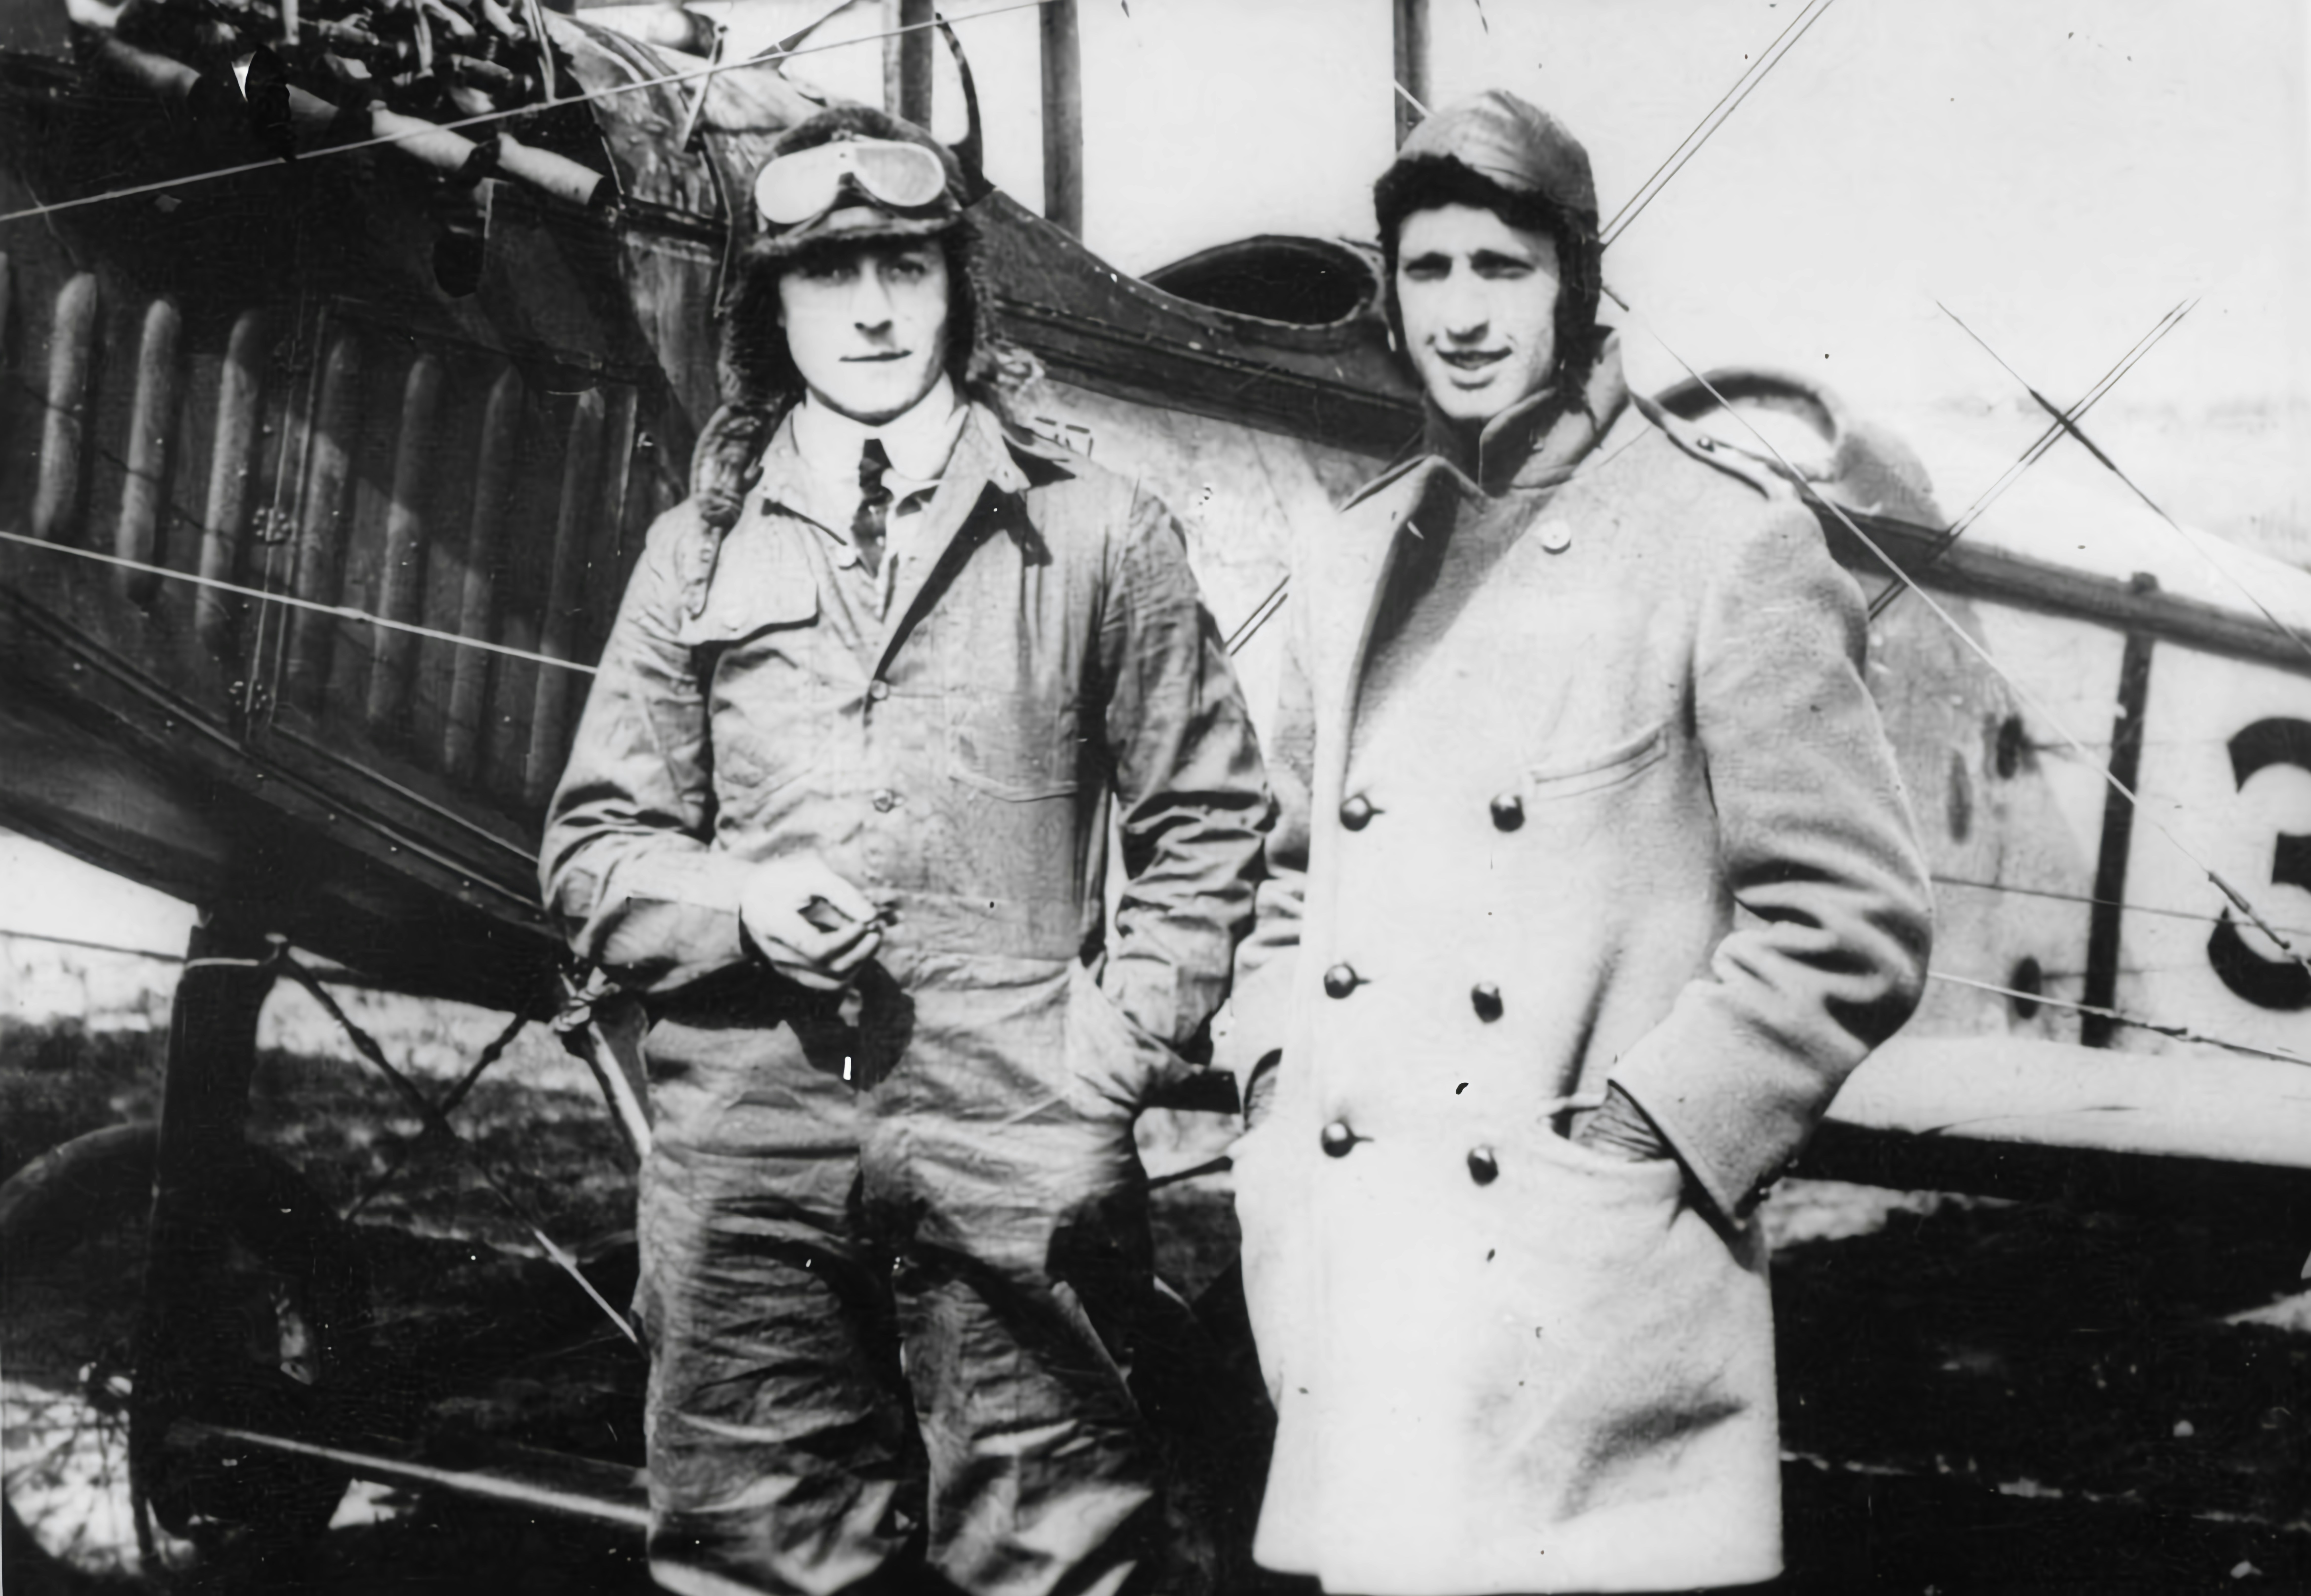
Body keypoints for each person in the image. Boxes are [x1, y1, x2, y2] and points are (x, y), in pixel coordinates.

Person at [541, 104, 1272, 1596]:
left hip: (1018, 1124)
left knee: (1055, 1552)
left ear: (958, 292)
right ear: (773, 307)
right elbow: (596, 849)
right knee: (755, 1553)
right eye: (829, 272)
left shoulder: (1097, 534)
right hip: (748, 1144)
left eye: (906, 267)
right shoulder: (699, 551)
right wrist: (742, 902)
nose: (871, 309)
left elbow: (1207, 820)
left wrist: (1113, 1055)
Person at [1223, 90, 1934, 1594]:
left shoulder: (1725, 539)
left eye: (1504, 267)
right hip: (1365, 1271)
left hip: (1581, 1280)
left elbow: (1848, 914)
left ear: (1575, 287)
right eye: (1429, 270)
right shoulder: (1348, 556)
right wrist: (1274, 1076)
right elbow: (1287, 880)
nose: (1464, 313)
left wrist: (1646, 1133)